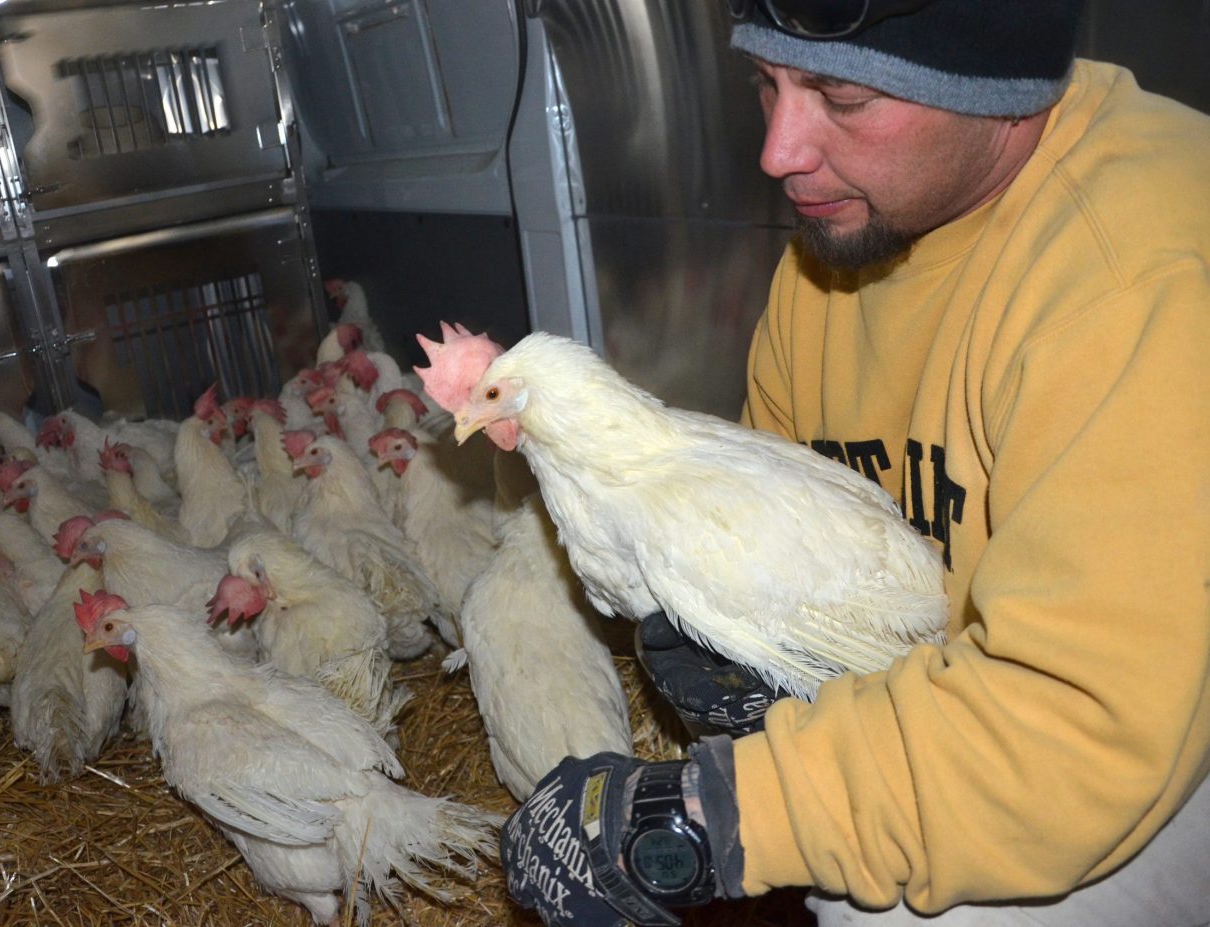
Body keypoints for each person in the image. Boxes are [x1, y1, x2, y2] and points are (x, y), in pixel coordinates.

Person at [499, 1, 1210, 925]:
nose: (778, 151)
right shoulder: (832, 257)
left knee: (895, 904)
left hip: (1148, 732)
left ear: (995, 95)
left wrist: (720, 813)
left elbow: (1076, 729)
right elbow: (779, 516)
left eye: (841, 96)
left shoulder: (1140, 276)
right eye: (766, 84)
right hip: (997, 698)